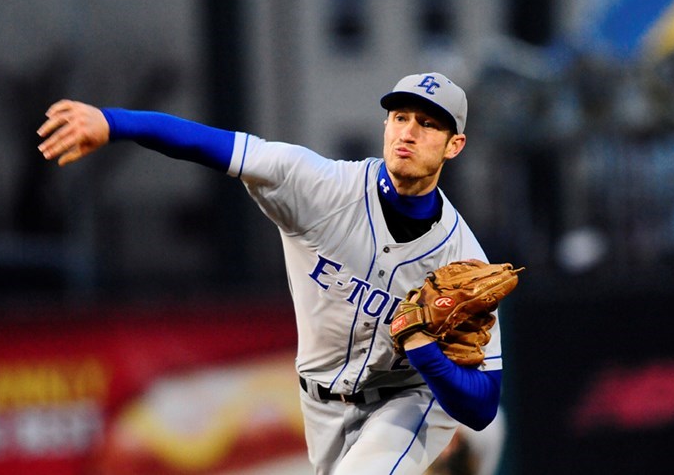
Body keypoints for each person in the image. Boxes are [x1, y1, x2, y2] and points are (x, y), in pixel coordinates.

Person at [37, 72, 504, 475]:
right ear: (385, 124)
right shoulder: (318, 188)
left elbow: (483, 405)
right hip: (319, 402)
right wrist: (113, 122)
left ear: (454, 145)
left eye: (427, 124)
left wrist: (425, 352)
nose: (409, 132)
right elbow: (212, 144)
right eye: (401, 117)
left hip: (409, 400)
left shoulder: (463, 259)